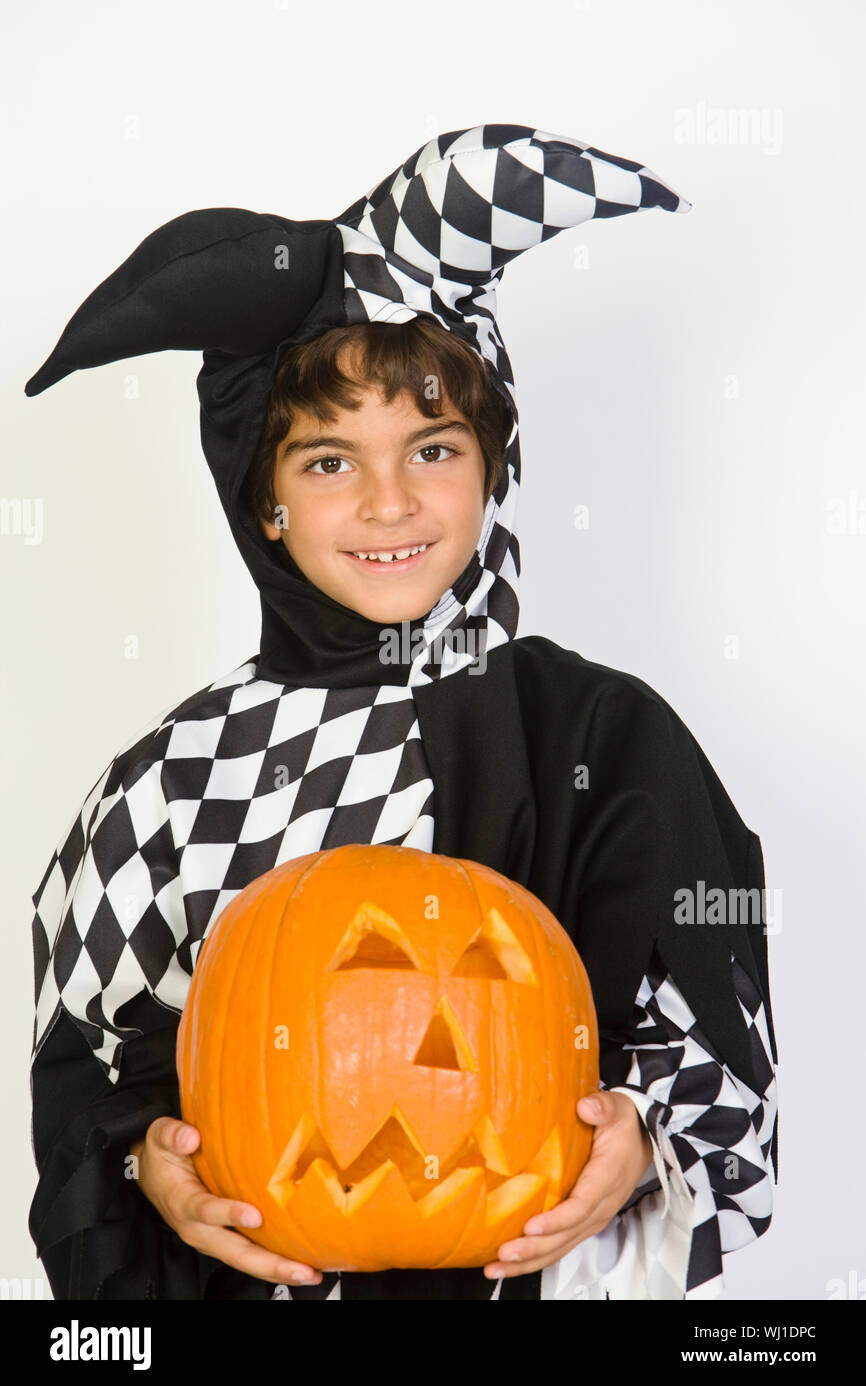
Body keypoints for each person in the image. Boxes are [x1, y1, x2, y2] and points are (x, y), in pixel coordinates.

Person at [25, 122, 778, 1301]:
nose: (389, 502)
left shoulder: (604, 741)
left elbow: (717, 1052)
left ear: (491, 467)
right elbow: (91, 1077)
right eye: (328, 462)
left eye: (432, 447)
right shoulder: (163, 789)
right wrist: (145, 1167)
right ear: (260, 499)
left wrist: (638, 1136)